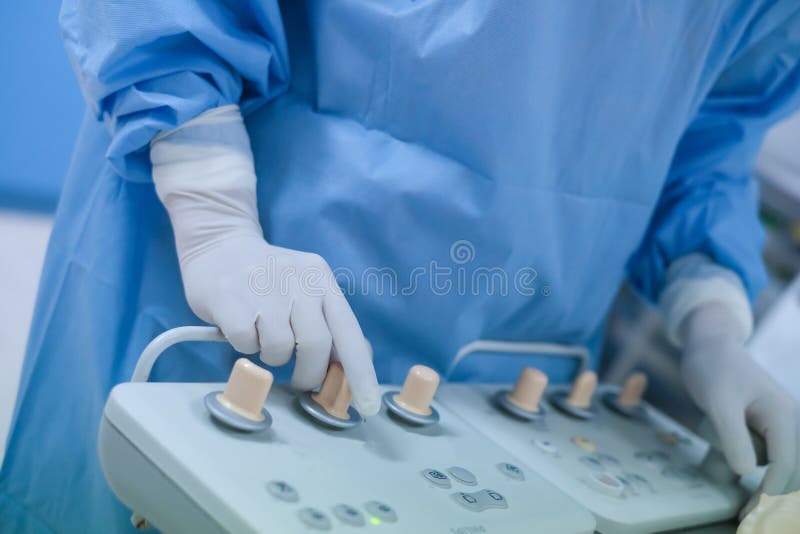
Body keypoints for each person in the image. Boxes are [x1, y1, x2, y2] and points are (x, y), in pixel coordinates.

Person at [2, 1, 799, 531]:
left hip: (524, 353)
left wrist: (713, 321)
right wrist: (215, 216)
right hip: (227, 291)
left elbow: (707, 132)